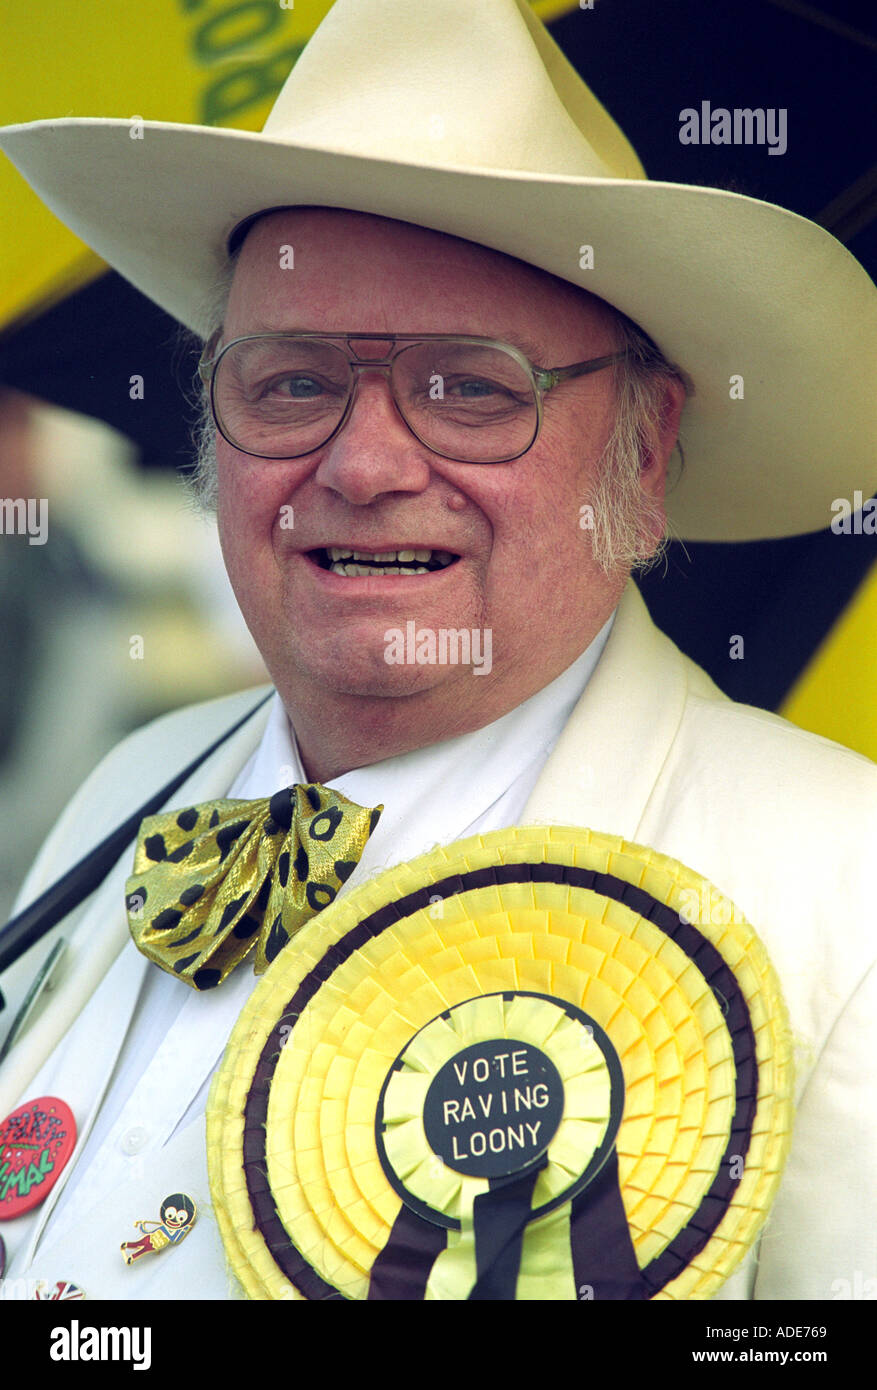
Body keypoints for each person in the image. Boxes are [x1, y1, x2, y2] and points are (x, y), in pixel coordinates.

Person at [0, 0, 874, 1301]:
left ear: (640, 446)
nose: (359, 464)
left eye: (471, 386)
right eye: (289, 380)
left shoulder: (844, 890)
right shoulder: (138, 778)